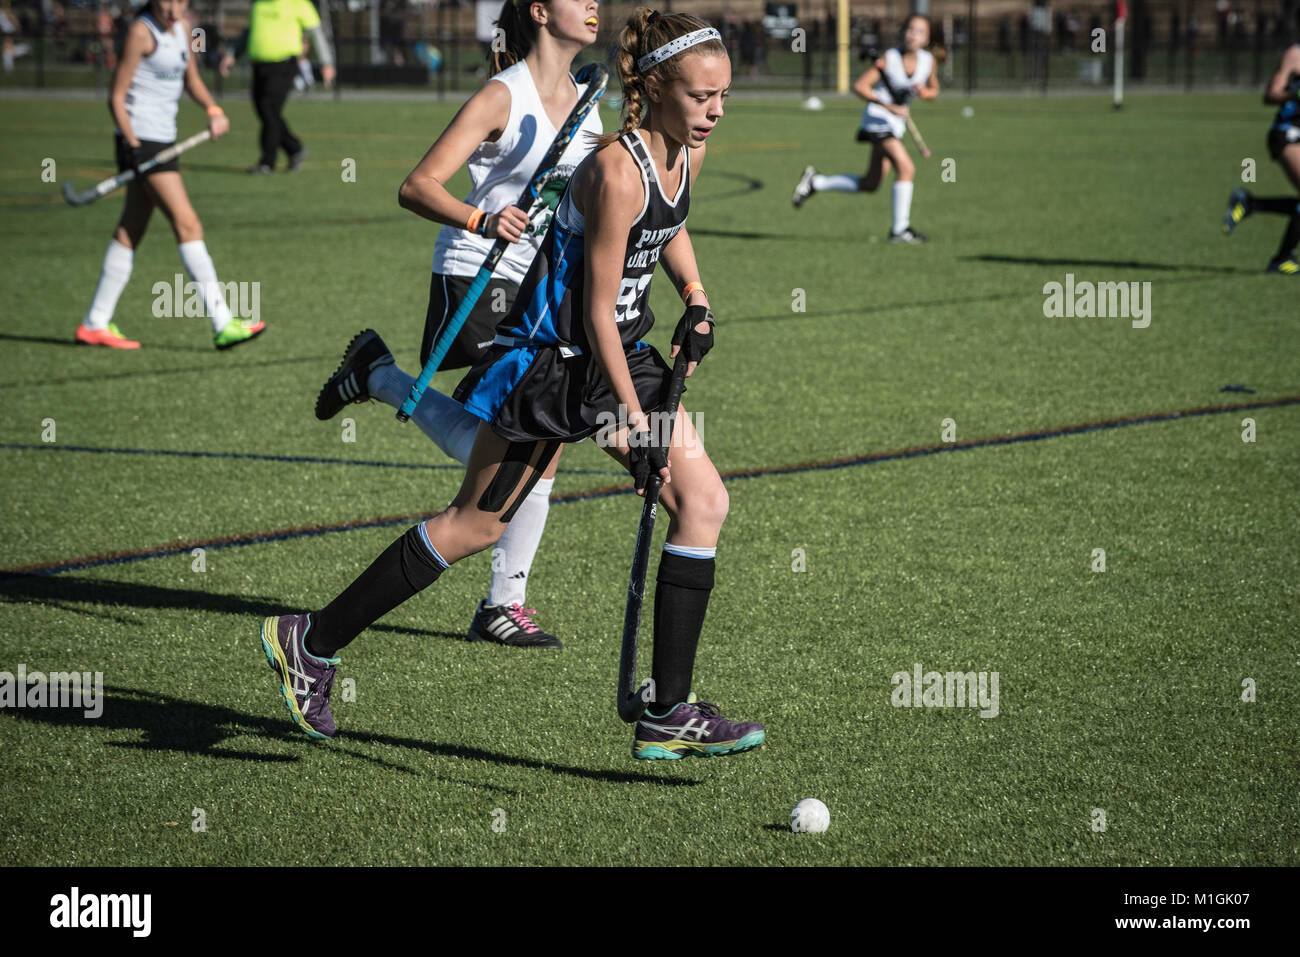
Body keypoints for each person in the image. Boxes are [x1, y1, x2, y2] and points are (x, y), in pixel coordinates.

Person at [261, 8, 765, 762]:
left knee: (704, 501)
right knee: (476, 523)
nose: (715, 111)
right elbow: (593, 310)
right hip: (555, 364)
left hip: (623, 352)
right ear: (655, 89)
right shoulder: (614, 171)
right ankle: (311, 639)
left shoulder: (686, 151)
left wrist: (695, 294)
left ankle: (669, 708)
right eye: (700, 97)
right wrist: (633, 421)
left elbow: (672, 227)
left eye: (723, 96)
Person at [315, 0, 603, 650]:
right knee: (500, 443)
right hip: (481, 273)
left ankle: (504, 603)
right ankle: (380, 377)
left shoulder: (589, 99)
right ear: (537, 10)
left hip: (540, 288)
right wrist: (482, 220)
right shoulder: (502, 96)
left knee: (545, 441)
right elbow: (417, 185)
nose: (593, 3)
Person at [76, 0, 265, 350]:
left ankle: (95, 323)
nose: (174, 8)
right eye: (168, 1)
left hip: (164, 139)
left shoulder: (185, 30)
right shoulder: (140, 32)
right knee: (188, 223)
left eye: (181, 1)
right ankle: (223, 322)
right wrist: (131, 145)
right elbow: (116, 96)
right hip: (142, 141)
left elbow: (191, 78)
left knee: (132, 227)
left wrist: (212, 108)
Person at [790, 14, 941, 243]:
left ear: (927, 37)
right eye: (909, 29)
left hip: (896, 125)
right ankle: (900, 231)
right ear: (902, 32)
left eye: (919, 31)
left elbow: (934, 91)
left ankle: (816, 182)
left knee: (871, 183)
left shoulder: (928, 61)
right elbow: (860, 86)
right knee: (907, 168)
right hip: (878, 120)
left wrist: (923, 92)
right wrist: (888, 105)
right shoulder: (889, 58)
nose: (912, 35)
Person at [218, 0, 336, 174]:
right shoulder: (259, 5)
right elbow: (249, 33)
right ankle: (294, 149)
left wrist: (326, 62)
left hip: (284, 64)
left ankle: (267, 162)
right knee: (264, 110)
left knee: (268, 108)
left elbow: (316, 33)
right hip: (259, 65)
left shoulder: (298, 4)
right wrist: (232, 54)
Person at [1223, 41, 1300, 274]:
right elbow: (1271, 94)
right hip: (1288, 134)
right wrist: (1297, 93)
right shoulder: (1295, 55)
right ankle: (1282, 259)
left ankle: (1249, 203)